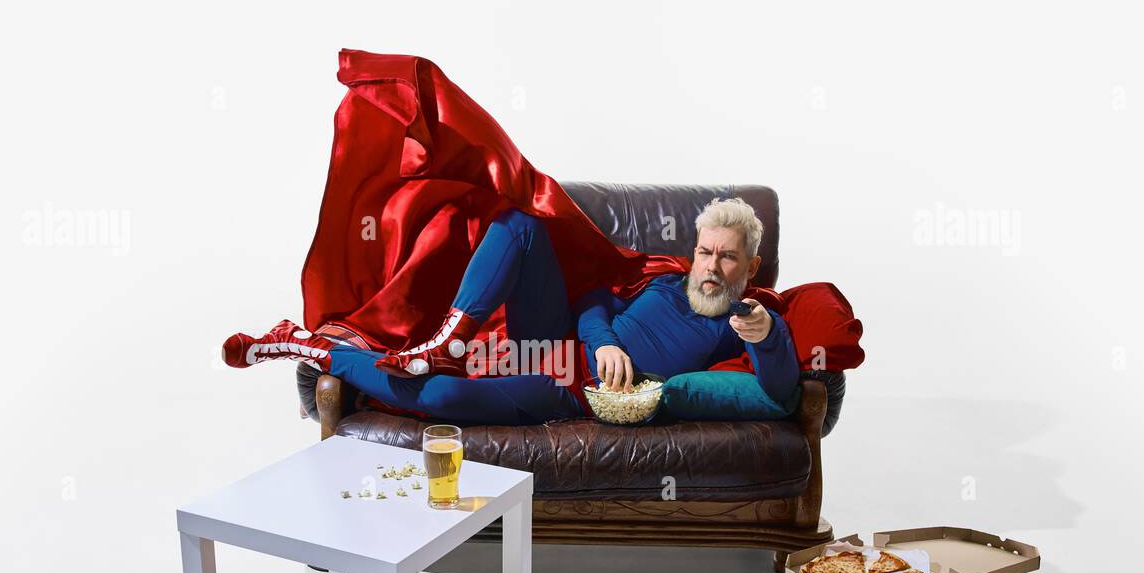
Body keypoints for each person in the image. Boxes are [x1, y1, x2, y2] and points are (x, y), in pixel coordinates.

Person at [223, 198, 800, 425]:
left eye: (728, 258)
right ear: (693, 250)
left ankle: (307, 346)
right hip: (555, 339)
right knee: (521, 225)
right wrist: (605, 340)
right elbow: (594, 298)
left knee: (441, 399)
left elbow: (781, 390)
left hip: (570, 389)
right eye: (705, 251)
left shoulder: (741, 320)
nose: (711, 266)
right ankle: (451, 338)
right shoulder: (666, 281)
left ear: (750, 266)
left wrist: (766, 334)